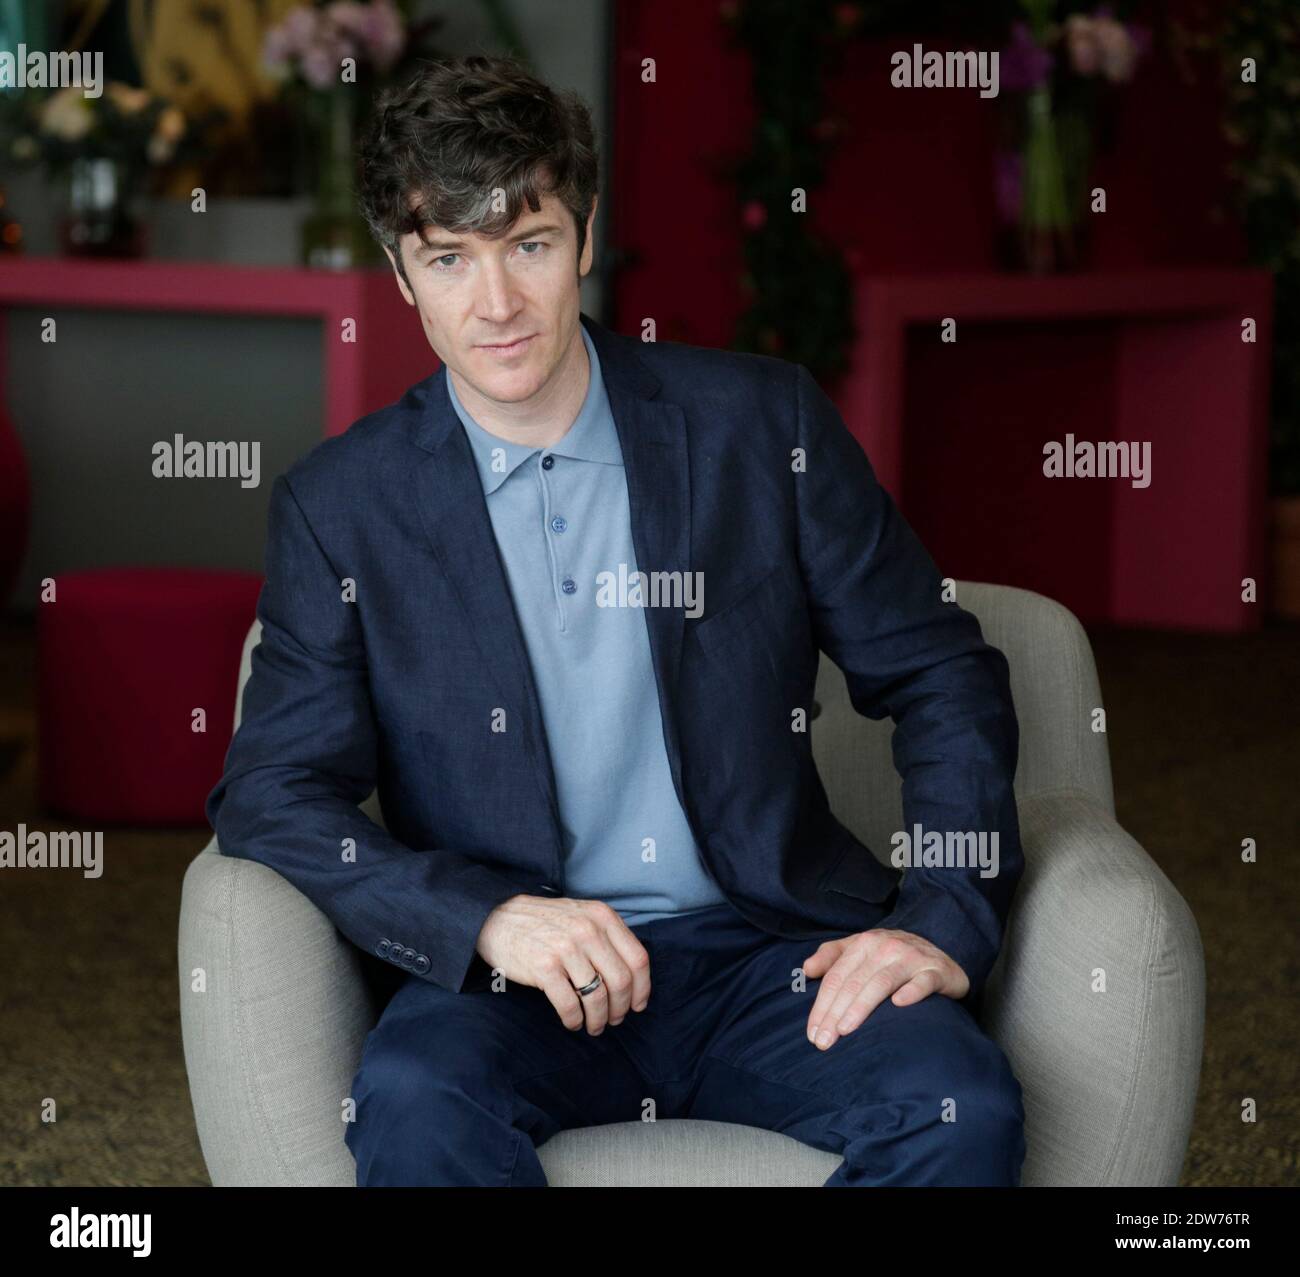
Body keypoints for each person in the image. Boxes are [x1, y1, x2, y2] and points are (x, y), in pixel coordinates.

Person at [206, 53, 1027, 1187]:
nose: (494, 304)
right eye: (449, 258)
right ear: (402, 278)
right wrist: (485, 915)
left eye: (528, 244)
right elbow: (272, 790)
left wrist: (940, 913)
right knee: (411, 1105)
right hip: (520, 981)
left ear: (584, 240)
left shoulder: (757, 426)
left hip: (770, 951)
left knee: (960, 1105)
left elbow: (942, 670)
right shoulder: (342, 506)